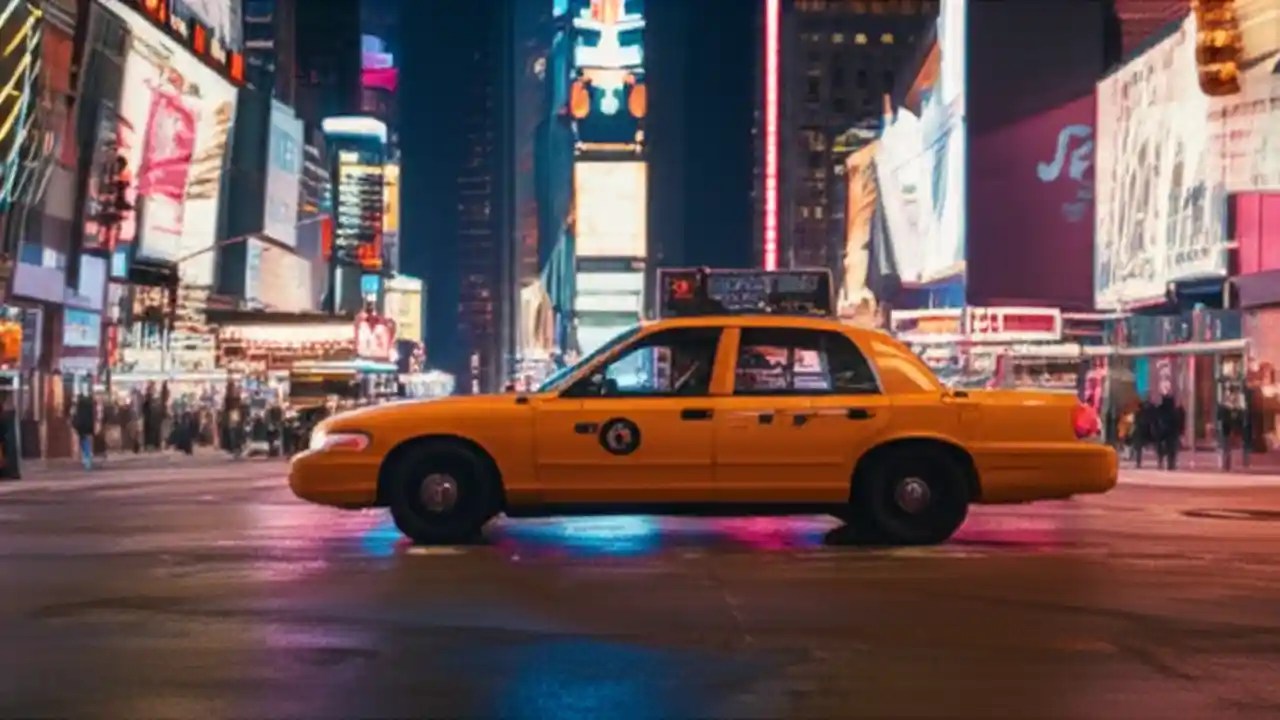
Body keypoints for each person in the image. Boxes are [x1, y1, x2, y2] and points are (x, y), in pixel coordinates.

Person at [1155, 394, 1185, 470]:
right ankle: (1171, 464)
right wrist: (1180, 431)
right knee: (1171, 450)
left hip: (1162, 433)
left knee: (1161, 448)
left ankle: (1161, 461)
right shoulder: (1174, 411)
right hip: (1172, 433)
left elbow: (1155, 421)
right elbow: (1178, 422)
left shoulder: (1160, 410)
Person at [72, 393, 97, 470]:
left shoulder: (79, 407)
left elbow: (75, 417)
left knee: (83, 442)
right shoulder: (89, 406)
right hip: (88, 427)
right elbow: (92, 417)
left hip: (81, 427)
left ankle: (87, 458)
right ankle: (88, 457)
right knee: (87, 441)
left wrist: (75, 425)